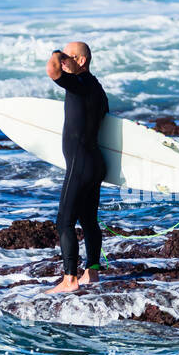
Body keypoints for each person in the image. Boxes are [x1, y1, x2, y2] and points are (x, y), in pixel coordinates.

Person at [43, 42, 109, 294]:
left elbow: (52, 70)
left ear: (80, 61)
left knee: (64, 221)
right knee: (89, 220)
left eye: (67, 58)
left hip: (80, 164)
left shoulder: (79, 84)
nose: (62, 62)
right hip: (95, 163)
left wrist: (54, 52)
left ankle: (70, 279)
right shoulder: (97, 89)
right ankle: (91, 272)